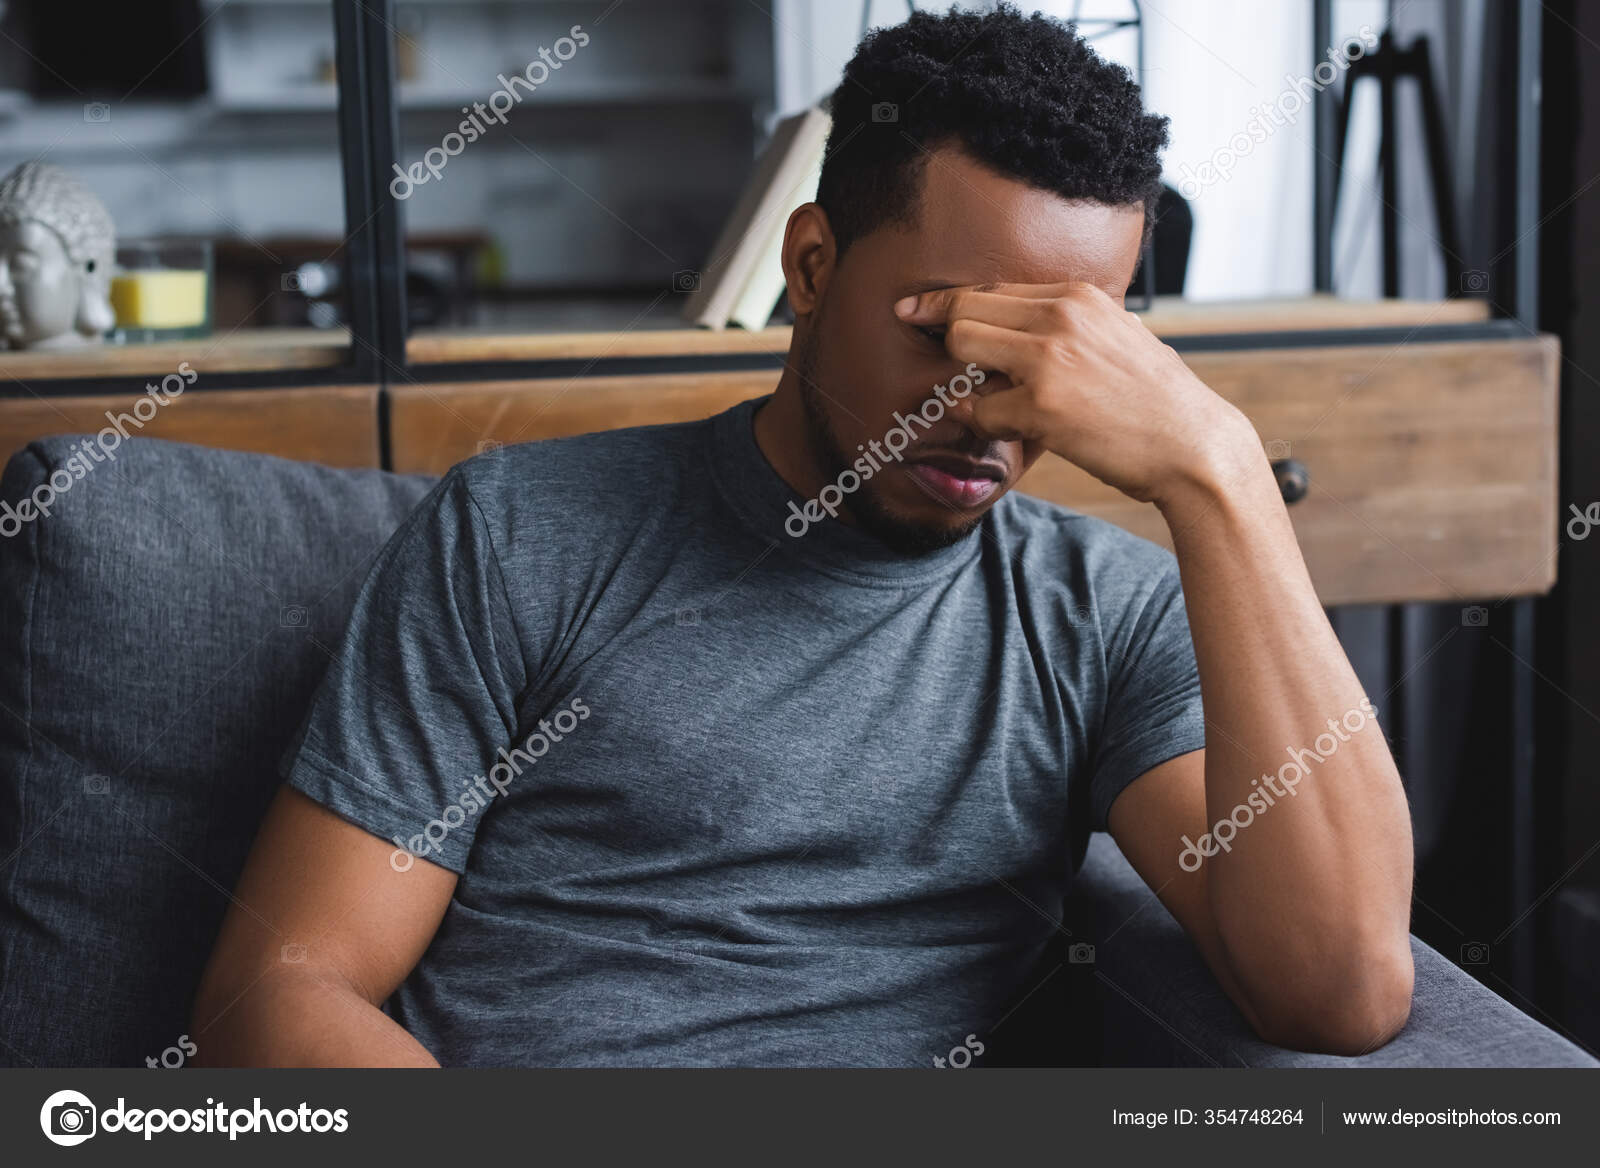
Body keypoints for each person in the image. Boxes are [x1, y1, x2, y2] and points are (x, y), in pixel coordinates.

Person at [192, 5, 1414, 1067]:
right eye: (945, 336)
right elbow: (280, 995)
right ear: (812, 266)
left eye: (1052, 359)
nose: (984, 411)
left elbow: (1340, 991)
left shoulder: (1107, 617)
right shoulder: (514, 534)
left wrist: (1220, 475)